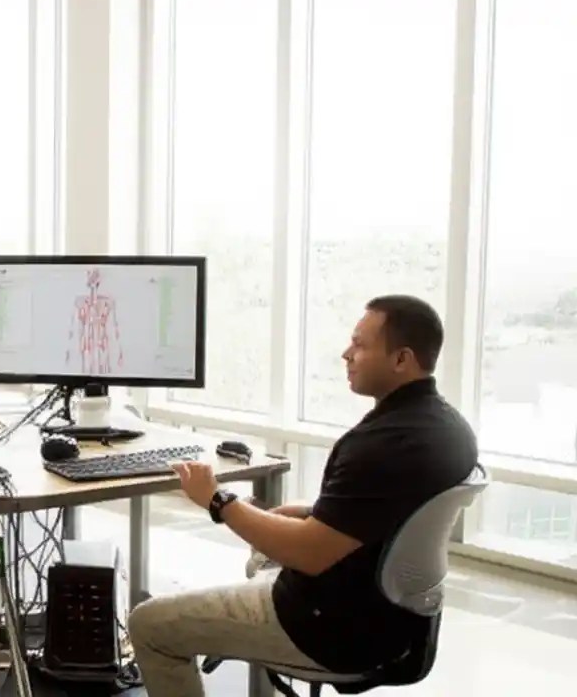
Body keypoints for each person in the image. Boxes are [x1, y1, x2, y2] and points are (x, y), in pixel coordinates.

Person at [128, 295, 478, 697]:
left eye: (360, 345)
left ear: (401, 359)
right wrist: (311, 513)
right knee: (263, 548)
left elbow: (308, 554)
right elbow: (390, 514)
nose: (347, 354)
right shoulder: (449, 429)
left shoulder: (378, 445)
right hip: (399, 623)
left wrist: (217, 500)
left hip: (327, 628)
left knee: (151, 625)